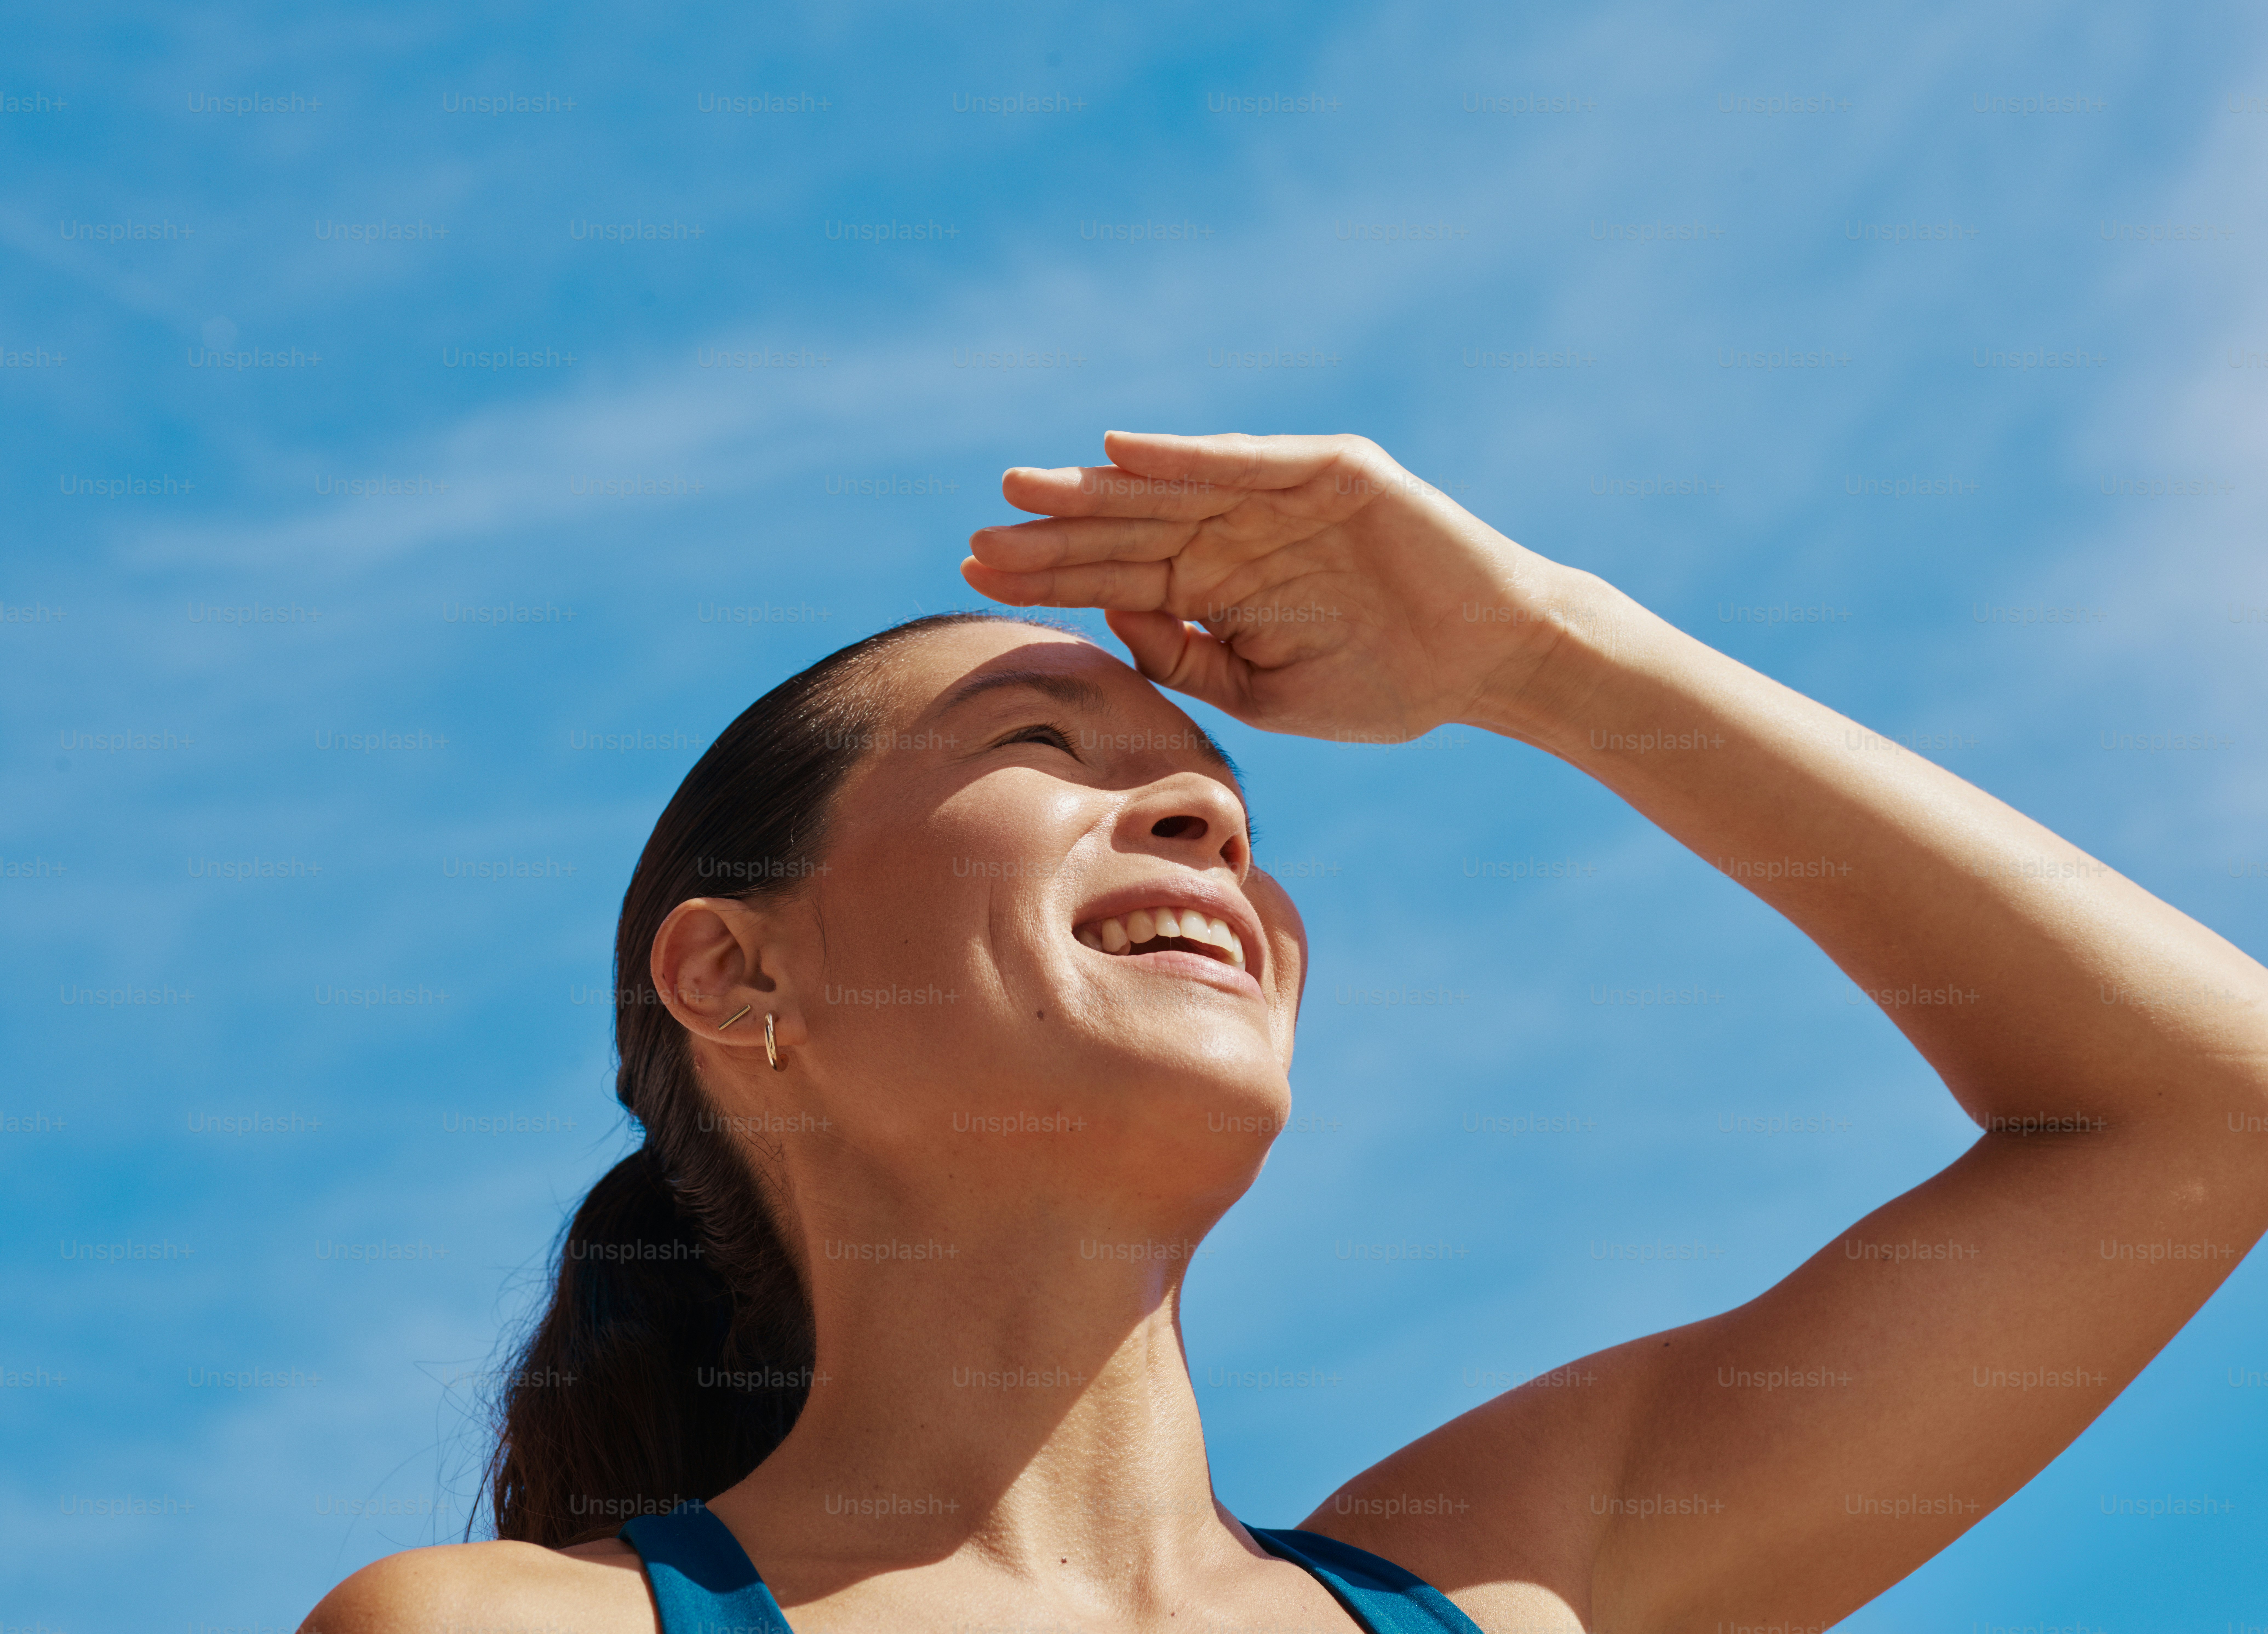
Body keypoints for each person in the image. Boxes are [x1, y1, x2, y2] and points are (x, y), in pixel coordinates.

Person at [302, 431, 2268, 1633]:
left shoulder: (1522, 1586)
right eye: (1043, 750)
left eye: (1219, 794)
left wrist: (1542, 655)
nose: (1201, 813)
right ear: (741, 983)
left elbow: (2200, 1106)